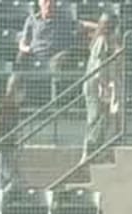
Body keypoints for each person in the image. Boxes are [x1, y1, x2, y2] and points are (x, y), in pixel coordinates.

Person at [82, 13, 121, 158]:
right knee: (94, 118)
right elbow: (99, 68)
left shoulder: (106, 40)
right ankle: (88, 152)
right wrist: (104, 87)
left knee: (102, 118)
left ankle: (97, 151)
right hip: (95, 86)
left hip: (99, 85)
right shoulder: (101, 40)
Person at [17, 0, 81, 70]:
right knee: (21, 56)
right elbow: (22, 43)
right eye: (45, 1)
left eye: (51, 2)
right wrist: (26, 49)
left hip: (55, 56)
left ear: (55, 3)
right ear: (39, 3)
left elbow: (80, 25)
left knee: (60, 61)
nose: (48, 5)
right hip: (35, 55)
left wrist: (95, 28)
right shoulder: (31, 20)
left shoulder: (64, 19)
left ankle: (56, 80)